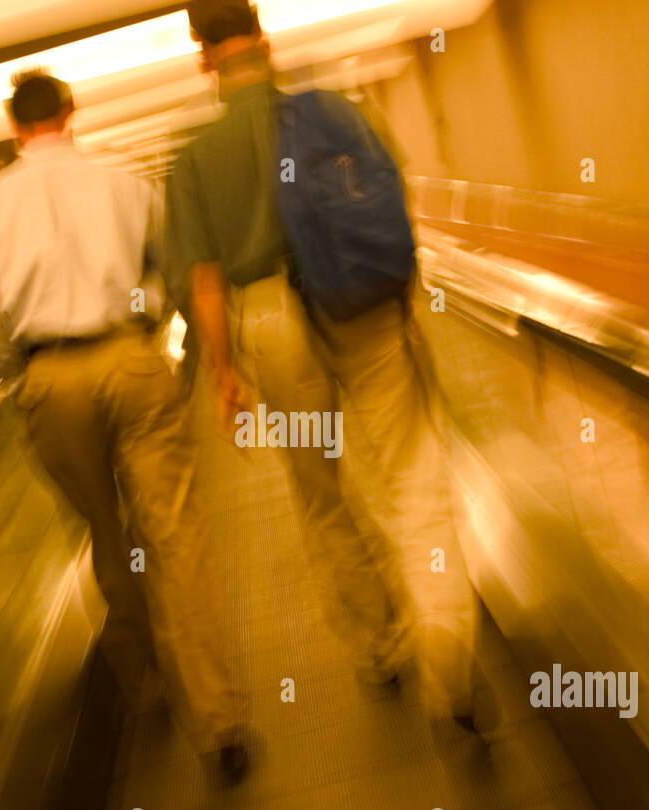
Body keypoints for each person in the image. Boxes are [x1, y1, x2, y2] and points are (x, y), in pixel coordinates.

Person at [163, 0, 497, 734]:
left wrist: (224, 373)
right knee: (412, 473)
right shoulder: (335, 112)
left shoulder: (194, 158)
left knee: (322, 494)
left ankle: (382, 643)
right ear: (265, 41)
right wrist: (402, 299)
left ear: (203, 59)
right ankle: (445, 627)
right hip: (362, 300)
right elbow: (394, 198)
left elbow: (205, 278)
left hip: (270, 320)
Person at [0, 69, 248, 783]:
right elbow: (174, 274)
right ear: (71, 113)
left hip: (50, 378)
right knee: (176, 537)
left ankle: (144, 690)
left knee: (107, 537)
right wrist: (155, 323)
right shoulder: (126, 185)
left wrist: (23, 370)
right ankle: (218, 723)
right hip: (130, 357)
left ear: (14, 126)